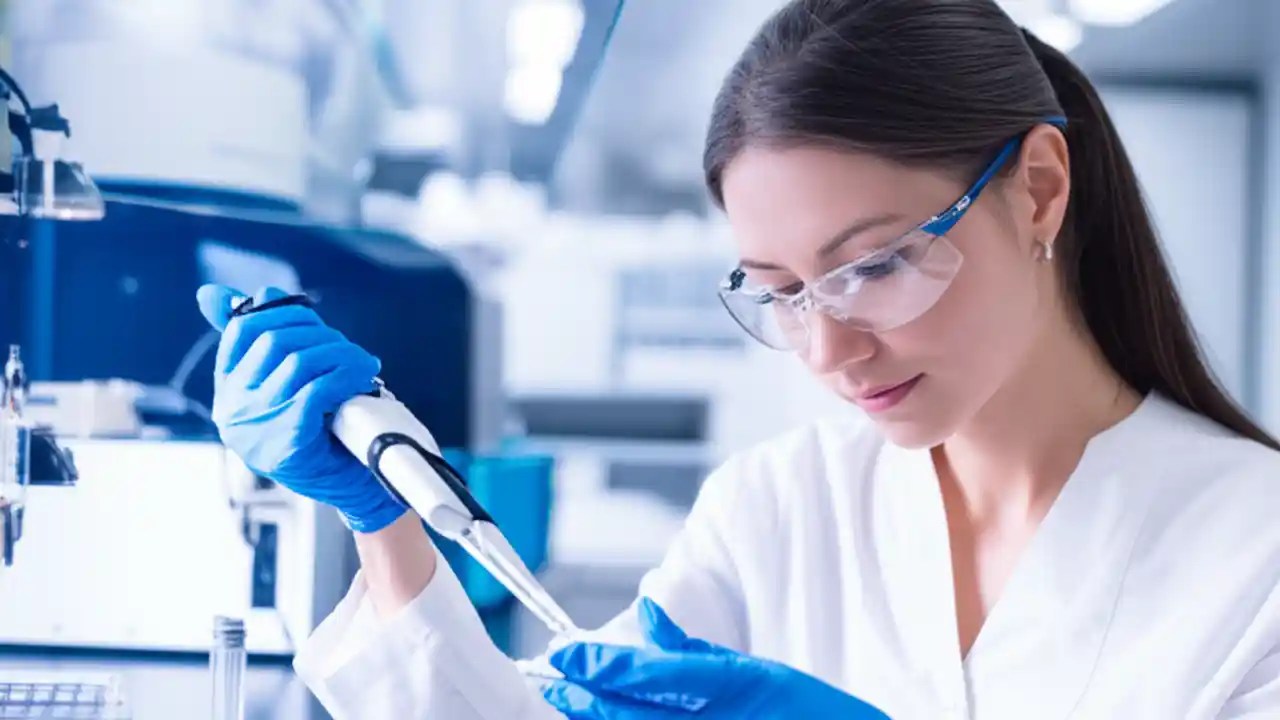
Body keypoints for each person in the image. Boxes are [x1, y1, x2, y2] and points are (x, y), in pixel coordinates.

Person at [196, 0, 1280, 718]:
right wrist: (383, 517)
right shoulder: (780, 507)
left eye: (872, 265)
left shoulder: (1255, 551)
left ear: (1038, 188)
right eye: (778, 292)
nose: (826, 348)